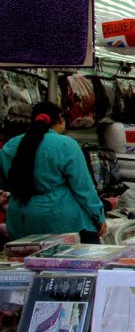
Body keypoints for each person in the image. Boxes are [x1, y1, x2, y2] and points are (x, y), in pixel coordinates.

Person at [0, 101, 107, 243]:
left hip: (20, 220)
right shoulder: (65, 144)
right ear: (60, 118)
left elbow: (4, 182)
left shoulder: (10, 145)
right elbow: (83, 187)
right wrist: (98, 216)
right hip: (60, 222)